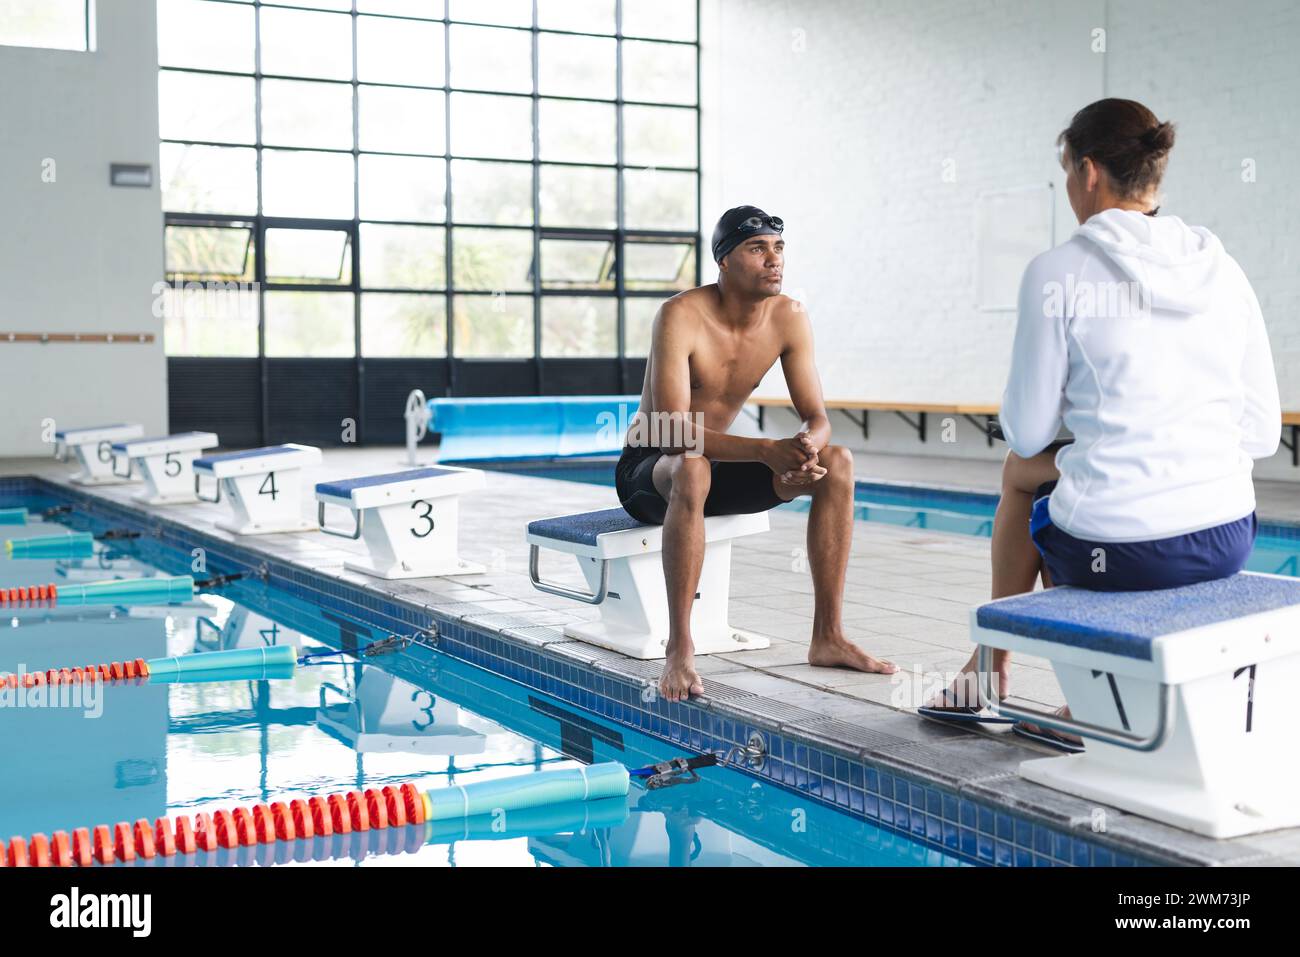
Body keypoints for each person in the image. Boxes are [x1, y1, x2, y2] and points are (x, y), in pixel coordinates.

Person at [921, 99, 1281, 749]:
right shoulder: (1224, 270)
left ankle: (1011, 674)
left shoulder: (1057, 273)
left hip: (1124, 545)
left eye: (1066, 174)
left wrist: (1090, 430)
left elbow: (1027, 433)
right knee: (1053, 479)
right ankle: (1031, 680)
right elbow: (1259, 436)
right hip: (1228, 534)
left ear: (1088, 173)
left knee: (1024, 476)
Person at [618, 205, 897, 702]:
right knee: (693, 468)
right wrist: (767, 450)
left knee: (839, 464)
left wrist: (805, 449)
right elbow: (673, 430)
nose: (774, 260)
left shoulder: (789, 317)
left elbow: (818, 416)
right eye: (757, 248)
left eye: (779, 247)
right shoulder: (680, 315)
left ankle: (827, 635)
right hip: (651, 470)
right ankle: (680, 648)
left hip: (716, 465)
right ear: (723, 261)